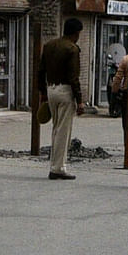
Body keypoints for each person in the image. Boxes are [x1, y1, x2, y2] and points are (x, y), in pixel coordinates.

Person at [39, 19, 83, 179]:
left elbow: (40, 70)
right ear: (76, 33)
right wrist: (80, 100)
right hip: (65, 91)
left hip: (51, 89)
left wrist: (43, 92)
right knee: (63, 131)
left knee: (56, 128)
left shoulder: (49, 45)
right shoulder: (72, 49)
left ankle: (55, 164)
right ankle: (58, 168)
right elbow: (74, 77)